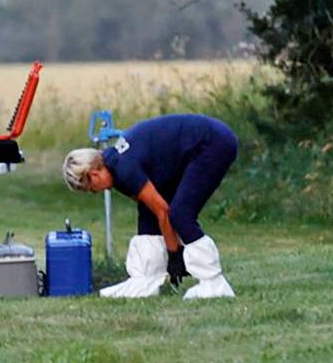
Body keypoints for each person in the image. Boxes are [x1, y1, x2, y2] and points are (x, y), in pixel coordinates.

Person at [62, 114, 238, 299]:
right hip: (194, 147)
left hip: (212, 143)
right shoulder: (115, 166)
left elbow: (163, 211)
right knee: (148, 215)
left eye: (91, 189)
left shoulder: (124, 168)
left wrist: (174, 256)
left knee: (181, 214)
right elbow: (152, 209)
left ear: (93, 174)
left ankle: (214, 283)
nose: (96, 192)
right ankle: (147, 279)